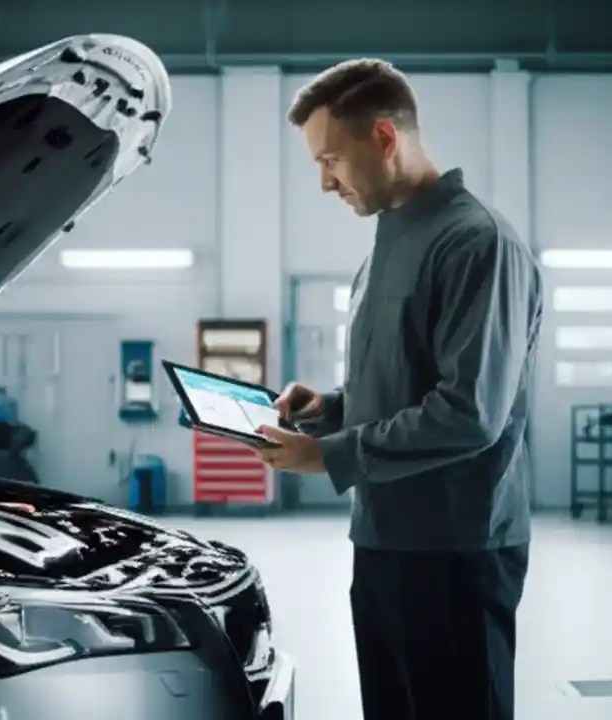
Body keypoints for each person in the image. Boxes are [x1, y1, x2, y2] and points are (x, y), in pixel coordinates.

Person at [251, 58, 542, 720]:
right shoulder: (385, 244)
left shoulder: (476, 242)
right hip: (383, 541)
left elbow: (469, 413)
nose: (324, 182)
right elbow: (401, 384)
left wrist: (331, 456)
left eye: (331, 159)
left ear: (385, 137)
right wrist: (327, 412)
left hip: (455, 554)